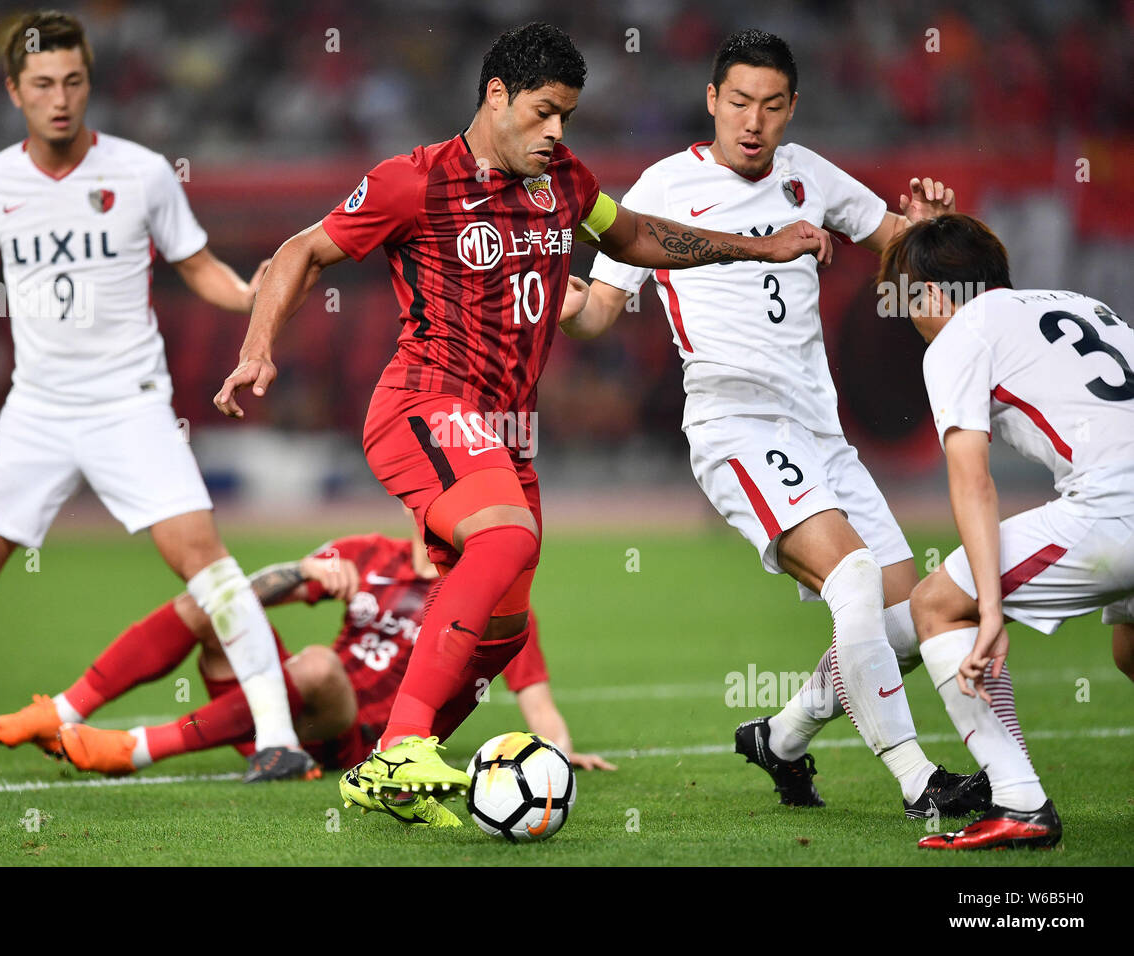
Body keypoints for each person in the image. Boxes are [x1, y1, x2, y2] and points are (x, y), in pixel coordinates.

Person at [212, 22, 830, 827]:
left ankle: (389, 771)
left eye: (567, 116)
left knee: (499, 634)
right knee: (505, 538)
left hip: (506, 433)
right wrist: (258, 349)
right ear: (496, 98)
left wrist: (758, 246)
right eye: (543, 113)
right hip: (423, 403)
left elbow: (635, 235)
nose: (556, 133)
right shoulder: (414, 181)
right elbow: (300, 252)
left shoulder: (564, 182)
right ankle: (402, 742)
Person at [0, 11, 310, 784]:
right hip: (36, 408)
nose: (58, 99)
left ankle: (278, 739)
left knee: (204, 562)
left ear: (89, 83)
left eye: (72, 81)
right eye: (41, 85)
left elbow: (196, 267)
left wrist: (248, 297)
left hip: (130, 402)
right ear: (14, 91)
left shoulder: (142, 172)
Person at [565, 28, 987, 818]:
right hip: (736, 422)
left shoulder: (808, 175)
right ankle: (916, 779)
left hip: (822, 434)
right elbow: (595, 314)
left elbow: (895, 240)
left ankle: (782, 738)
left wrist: (927, 225)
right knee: (854, 580)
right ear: (711, 102)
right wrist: (543, 297)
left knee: (912, 616)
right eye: (738, 103)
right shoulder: (660, 187)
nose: (752, 121)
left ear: (791, 108)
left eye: (769, 105)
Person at [0, 526, 615, 828]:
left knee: (317, 663)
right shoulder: (369, 554)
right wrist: (303, 570)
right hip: (275, 710)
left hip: (359, 737)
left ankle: (136, 748)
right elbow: (244, 599)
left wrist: (555, 758)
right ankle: (63, 709)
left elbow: (535, 696)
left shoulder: (492, 597)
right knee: (209, 602)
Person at [874, 213, 1134, 849]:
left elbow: (972, 481)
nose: (908, 316)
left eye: (908, 299)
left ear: (933, 294)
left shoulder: (959, 334)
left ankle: (1019, 803)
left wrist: (988, 607)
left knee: (937, 604)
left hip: (1117, 509)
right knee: (1131, 649)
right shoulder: (1078, 304)